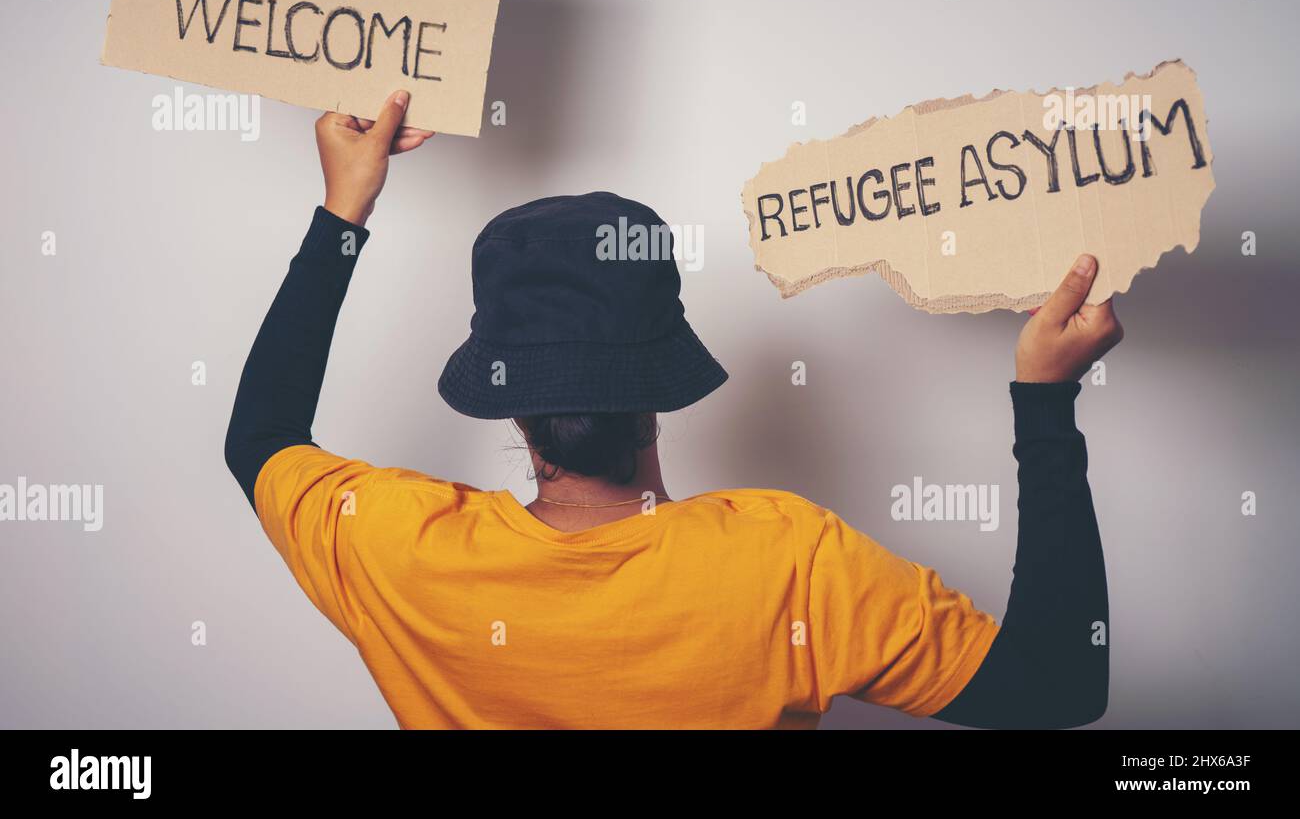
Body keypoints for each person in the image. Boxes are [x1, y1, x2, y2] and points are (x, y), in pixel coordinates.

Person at [224, 89, 1121, 730]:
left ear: (510, 401)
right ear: (660, 381)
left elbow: (260, 437)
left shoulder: (400, 549)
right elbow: (1056, 688)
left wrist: (347, 205)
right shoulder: (788, 561)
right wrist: (1044, 399)